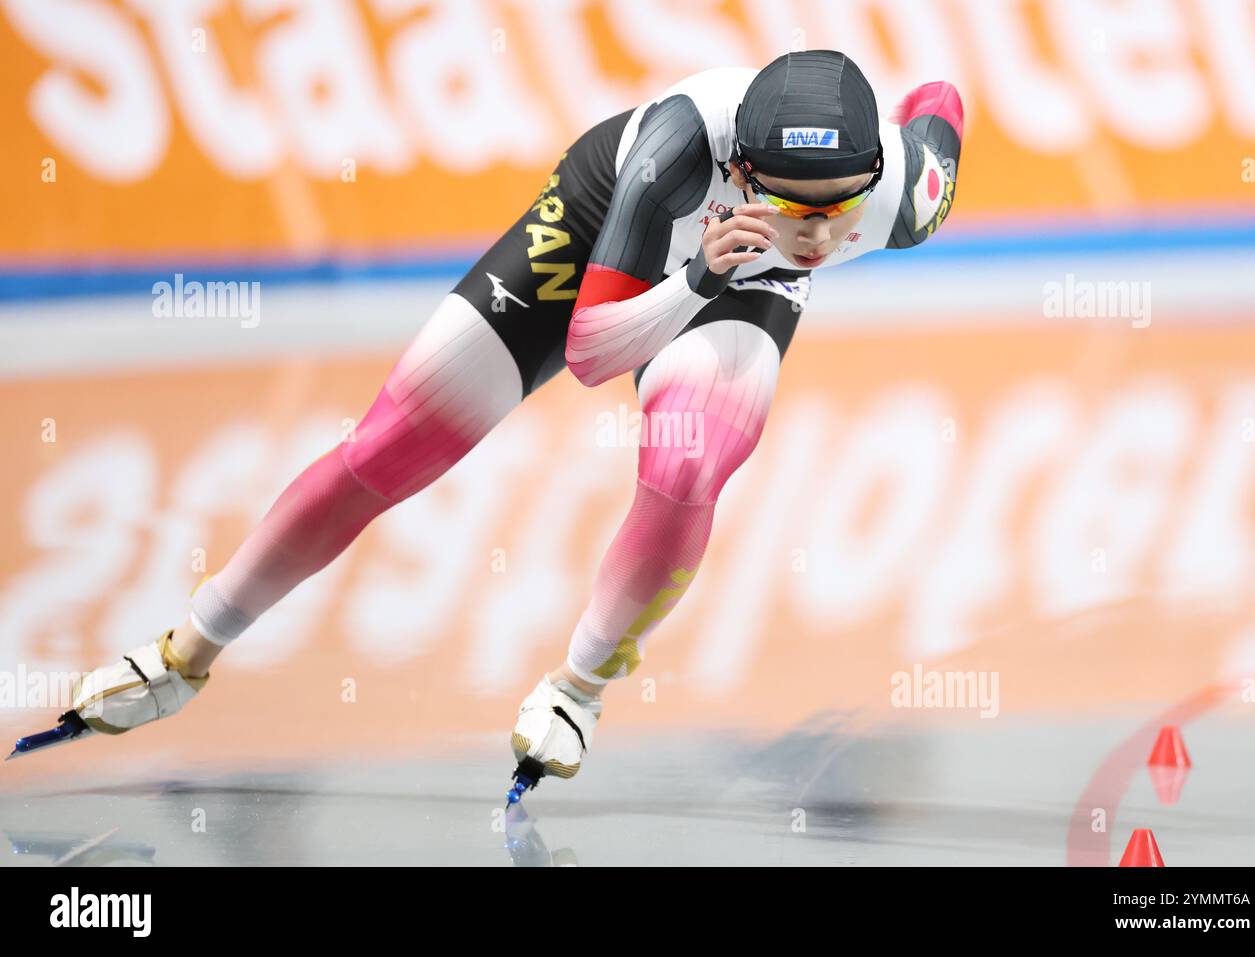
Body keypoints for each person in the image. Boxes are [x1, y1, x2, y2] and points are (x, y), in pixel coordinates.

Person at [52, 50, 964, 791]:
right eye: (793, 204)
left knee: (688, 464)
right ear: (742, 169)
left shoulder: (906, 195)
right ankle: (185, 653)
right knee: (389, 446)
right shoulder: (679, 149)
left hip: (738, 275)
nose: (817, 234)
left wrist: (729, 272)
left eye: (840, 205)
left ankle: (579, 686)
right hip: (605, 228)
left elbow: (940, 102)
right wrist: (694, 276)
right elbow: (592, 355)